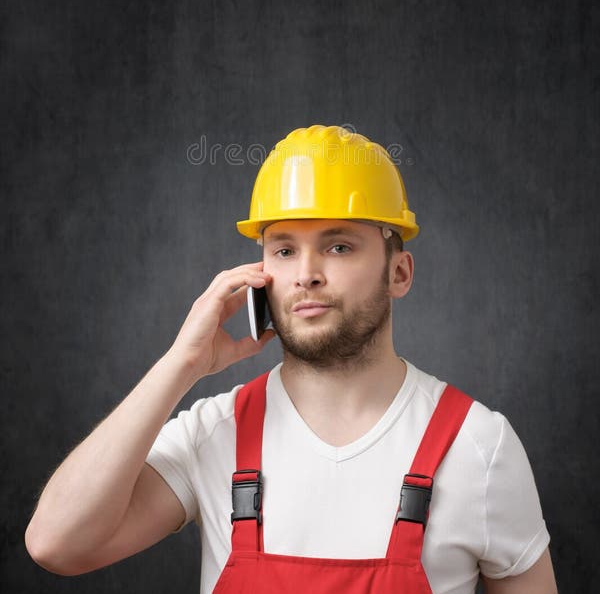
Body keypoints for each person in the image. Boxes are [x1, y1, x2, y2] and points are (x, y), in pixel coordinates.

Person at [25, 125, 558, 593]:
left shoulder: (479, 447)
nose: (306, 273)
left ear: (399, 273)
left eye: (339, 246)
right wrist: (179, 366)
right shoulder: (216, 433)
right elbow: (57, 544)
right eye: (283, 249)